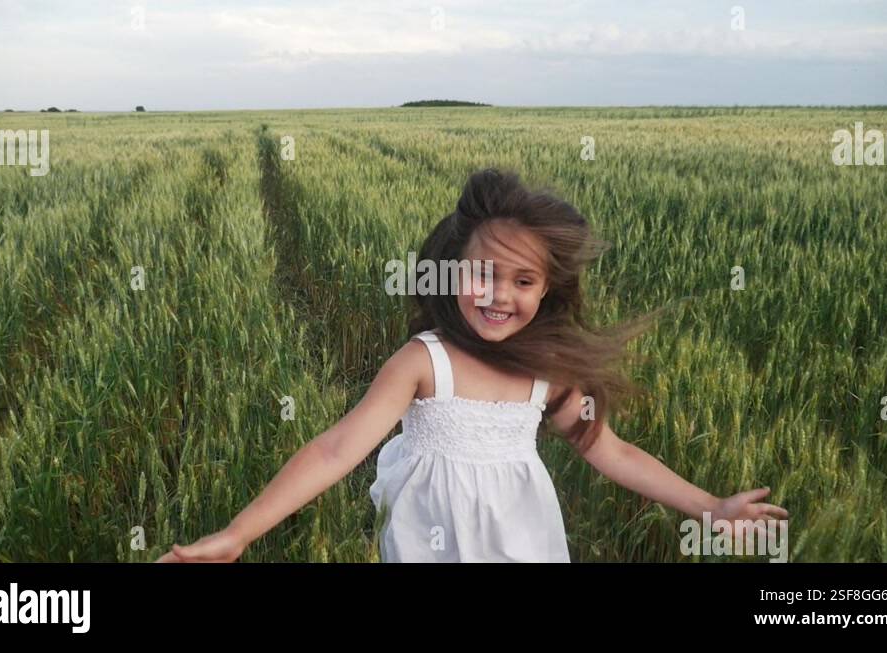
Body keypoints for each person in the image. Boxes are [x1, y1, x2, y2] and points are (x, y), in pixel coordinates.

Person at [157, 167, 787, 563]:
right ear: (453, 267)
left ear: (548, 291)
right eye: (483, 272)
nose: (497, 295)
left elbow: (612, 452)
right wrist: (238, 535)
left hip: (523, 543)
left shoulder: (549, 373)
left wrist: (710, 506)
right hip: (426, 540)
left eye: (522, 280)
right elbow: (334, 450)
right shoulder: (424, 362)